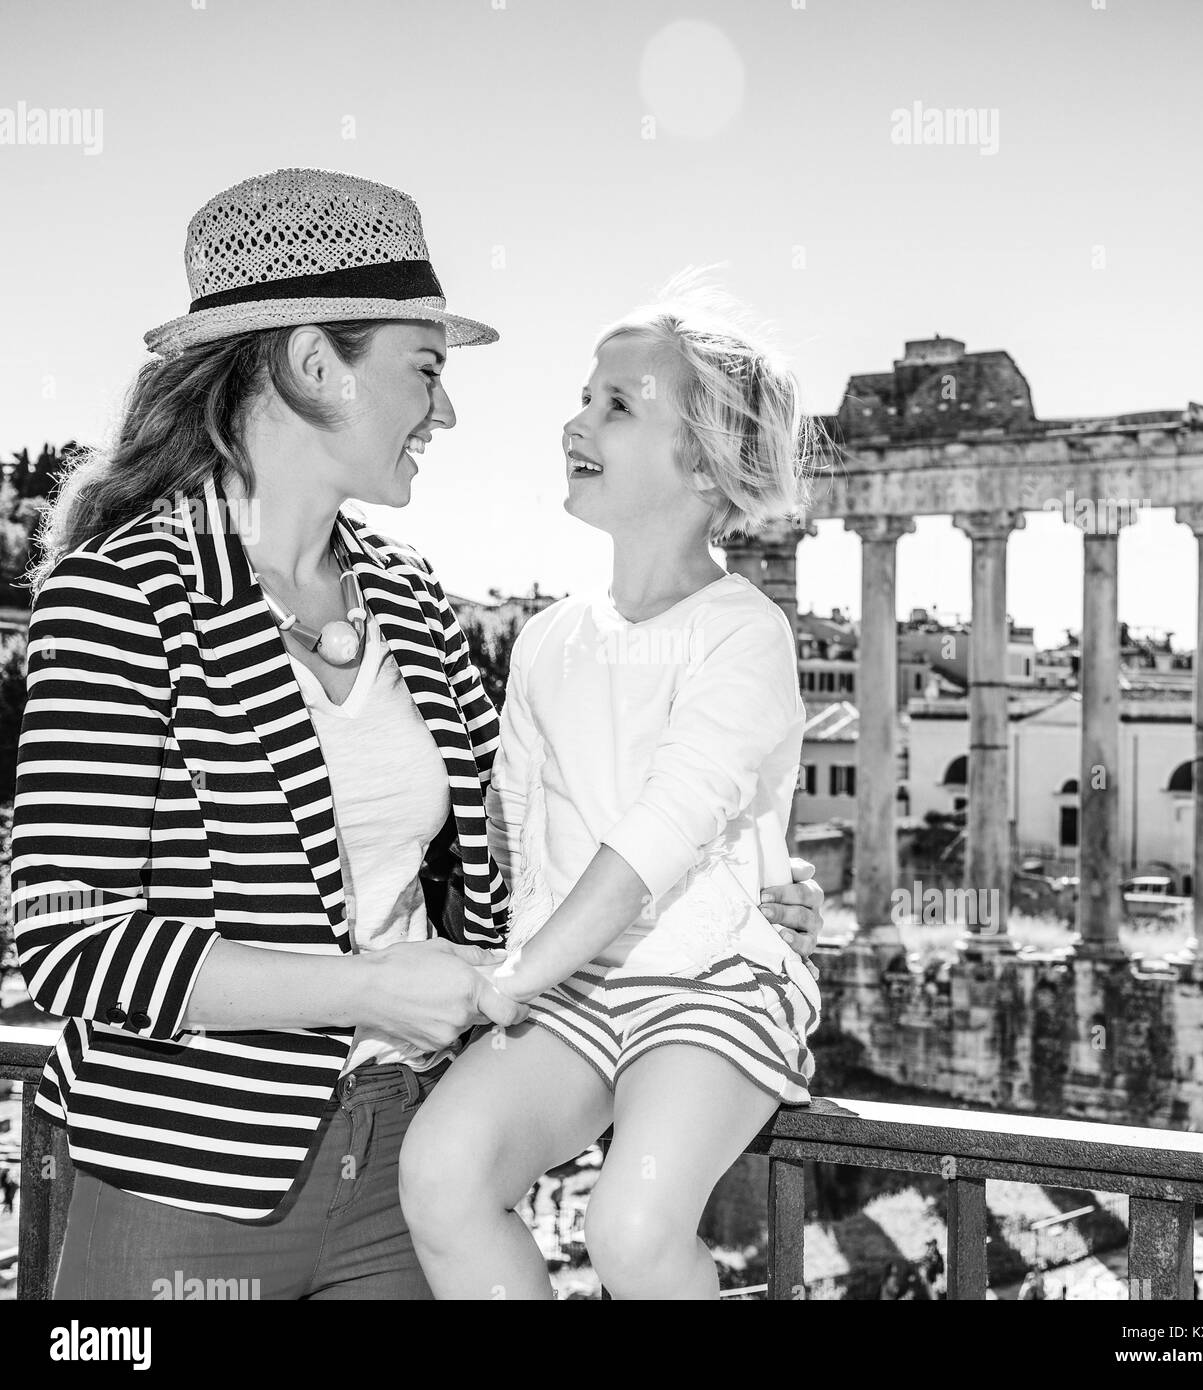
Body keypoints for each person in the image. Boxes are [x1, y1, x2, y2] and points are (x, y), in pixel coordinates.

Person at [12, 168, 827, 1300]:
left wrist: (746, 897)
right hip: (181, 1198)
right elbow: (68, 942)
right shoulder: (119, 596)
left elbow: (511, 856)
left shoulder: (410, 599)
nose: (446, 413)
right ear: (311, 366)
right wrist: (364, 989)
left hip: (406, 1170)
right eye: (426, 369)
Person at [398, 289, 820, 1300]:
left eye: (616, 405)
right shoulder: (547, 637)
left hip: (709, 982)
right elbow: (507, 822)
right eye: (582, 395)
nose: (573, 421)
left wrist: (514, 974)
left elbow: (658, 835)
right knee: (441, 1172)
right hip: (572, 988)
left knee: (630, 1227)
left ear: (709, 459)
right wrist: (491, 955)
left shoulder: (742, 633)